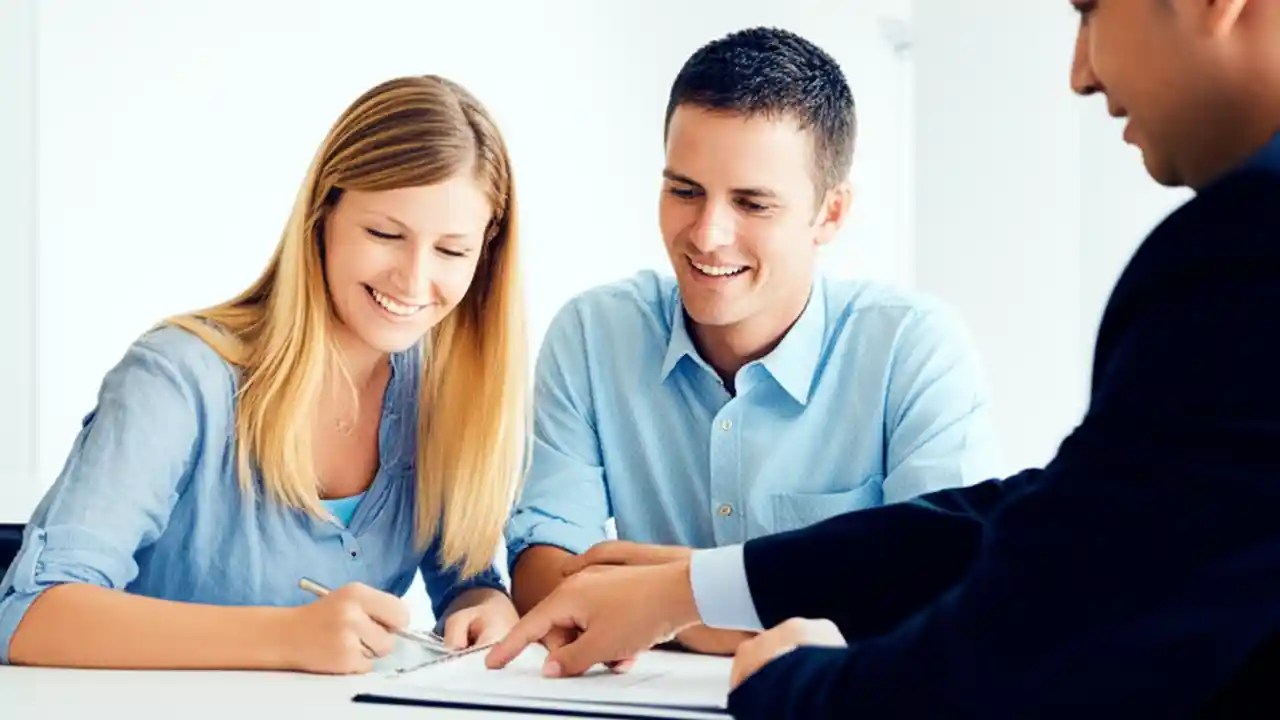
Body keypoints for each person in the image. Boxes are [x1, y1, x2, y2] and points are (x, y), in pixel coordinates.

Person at [488, 1, 1280, 716]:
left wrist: (781, 683)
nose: (1079, 72)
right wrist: (691, 588)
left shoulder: (1242, 252)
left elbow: (1025, 622)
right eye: (684, 190)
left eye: (1088, 8)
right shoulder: (594, 330)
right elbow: (1037, 525)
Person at [1, 75, 526, 674]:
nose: (412, 279)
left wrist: (483, 603)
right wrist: (285, 637)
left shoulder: (442, 397)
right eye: (384, 234)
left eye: (451, 252)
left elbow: (466, 582)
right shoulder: (177, 380)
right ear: (323, 215)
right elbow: (31, 615)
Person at [507, 26, 1003, 658]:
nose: (709, 234)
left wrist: (665, 597)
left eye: (752, 203)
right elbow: (544, 576)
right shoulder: (592, 334)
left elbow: (953, 593)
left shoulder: (913, 350)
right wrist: (769, 604)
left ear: (830, 214)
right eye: (684, 191)